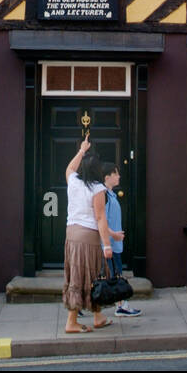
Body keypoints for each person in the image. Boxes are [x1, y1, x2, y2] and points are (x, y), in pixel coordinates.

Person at [63, 138, 115, 333]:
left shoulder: (73, 181)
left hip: (72, 233)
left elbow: (70, 167)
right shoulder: (97, 189)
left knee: (82, 275)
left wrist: (82, 150)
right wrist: (107, 245)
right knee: (89, 277)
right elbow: (100, 218)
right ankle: (71, 322)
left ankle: (98, 316)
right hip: (88, 235)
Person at [102, 162, 140, 317]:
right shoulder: (103, 196)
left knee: (110, 275)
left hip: (114, 244)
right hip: (108, 244)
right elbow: (100, 220)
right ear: (107, 177)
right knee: (115, 275)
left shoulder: (110, 194)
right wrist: (113, 235)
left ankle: (79, 307)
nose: (119, 176)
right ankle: (121, 305)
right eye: (116, 173)